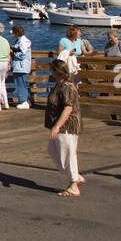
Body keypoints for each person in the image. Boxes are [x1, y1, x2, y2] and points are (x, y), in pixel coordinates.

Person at [44, 58, 83, 197]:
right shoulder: (59, 85)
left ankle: (73, 184)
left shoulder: (67, 86)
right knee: (53, 150)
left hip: (67, 125)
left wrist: (57, 126)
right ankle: (75, 176)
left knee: (67, 153)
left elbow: (68, 107)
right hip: (58, 124)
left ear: (56, 71)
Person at [8, 25, 32, 109]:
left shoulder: (22, 41)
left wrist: (13, 52)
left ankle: (23, 101)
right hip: (21, 66)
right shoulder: (22, 40)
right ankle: (26, 100)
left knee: (20, 84)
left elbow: (22, 54)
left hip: (21, 66)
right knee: (22, 83)